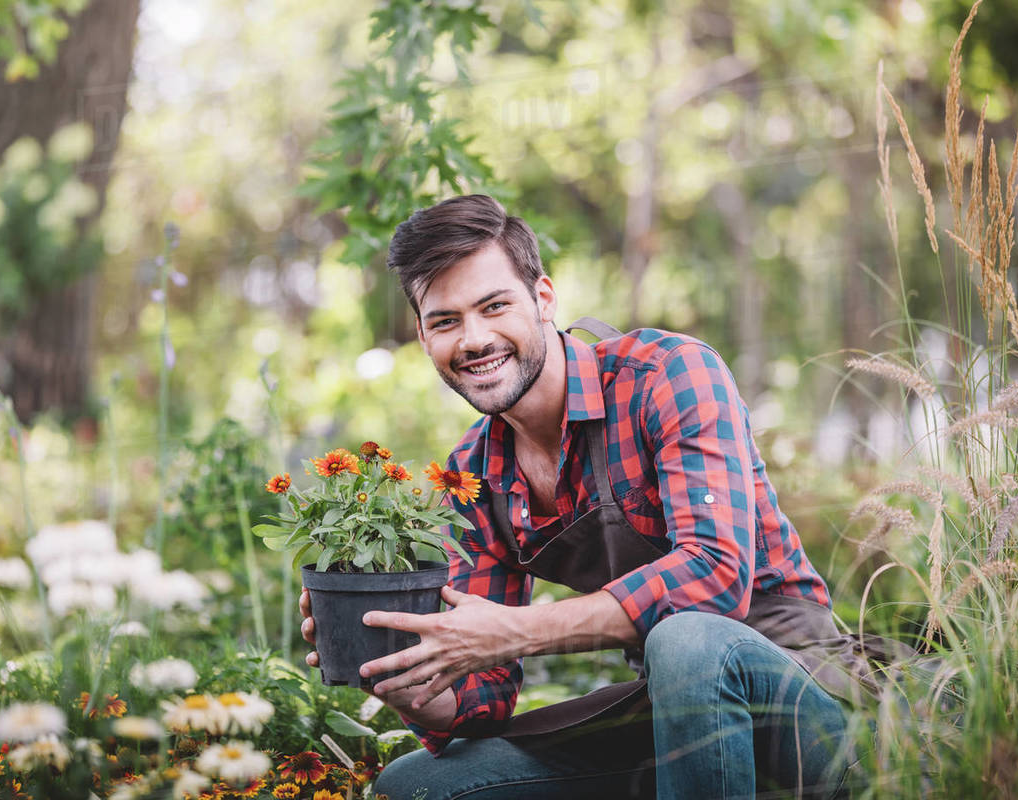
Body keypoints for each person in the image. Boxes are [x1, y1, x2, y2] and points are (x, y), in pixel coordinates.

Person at [299, 194, 871, 799]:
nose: (472, 339)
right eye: (445, 321)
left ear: (543, 299)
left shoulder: (667, 374)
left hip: (806, 699)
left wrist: (517, 630)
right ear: (422, 335)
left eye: (494, 306)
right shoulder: (474, 473)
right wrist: (409, 674)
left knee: (687, 639)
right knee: (417, 785)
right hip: (672, 715)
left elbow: (716, 575)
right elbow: (483, 696)